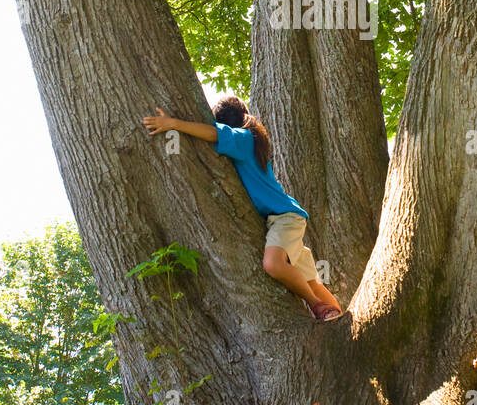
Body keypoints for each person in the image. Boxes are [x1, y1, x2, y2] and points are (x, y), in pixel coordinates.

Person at [141, 95, 344, 321]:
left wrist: (173, 124)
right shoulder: (248, 143)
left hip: (285, 218)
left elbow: (213, 133)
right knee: (310, 281)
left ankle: (317, 306)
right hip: (280, 220)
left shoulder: (245, 139)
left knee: (273, 265)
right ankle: (339, 320)